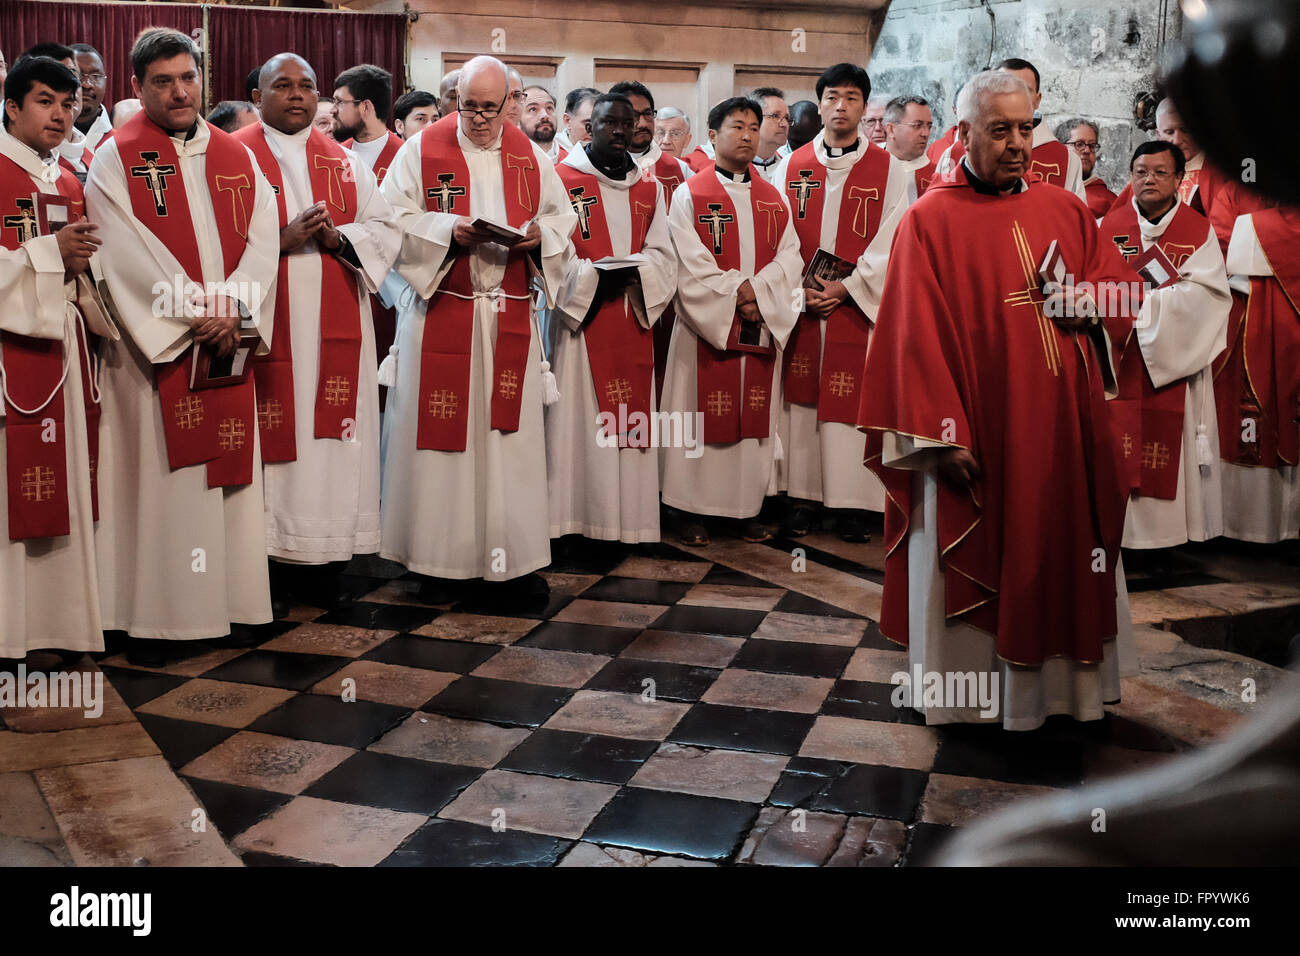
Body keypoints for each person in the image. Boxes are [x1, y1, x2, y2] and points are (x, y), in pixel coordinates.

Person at [858, 70, 1139, 730]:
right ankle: (972, 708)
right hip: (976, 430)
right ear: (964, 135)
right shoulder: (928, 220)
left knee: (1062, 548)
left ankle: (1063, 698)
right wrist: (938, 438)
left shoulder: (1066, 210)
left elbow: (1121, 292)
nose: (1018, 144)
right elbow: (909, 338)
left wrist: (1090, 305)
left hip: (1062, 430)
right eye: (1000, 130)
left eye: (1026, 129)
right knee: (977, 551)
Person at [86, 27, 279, 665]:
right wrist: (199, 314)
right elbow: (123, 251)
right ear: (137, 87)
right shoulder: (116, 157)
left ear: (203, 80)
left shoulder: (237, 154)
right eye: (163, 81)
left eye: (188, 77)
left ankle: (232, 605)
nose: (179, 91)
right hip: (158, 354)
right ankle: (160, 616)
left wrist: (236, 306)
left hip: (224, 345)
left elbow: (263, 236)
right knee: (160, 478)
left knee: (224, 477)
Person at [378, 55, 576, 603]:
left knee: (506, 440)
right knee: (442, 442)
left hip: (508, 314)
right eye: (469, 107)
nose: (481, 119)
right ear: (453, 101)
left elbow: (563, 220)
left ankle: (510, 558)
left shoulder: (530, 157)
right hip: (443, 309)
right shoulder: (421, 150)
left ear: (510, 102)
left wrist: (540, 237)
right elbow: (390, 221)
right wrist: (450, 231)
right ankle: (435, 559)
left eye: (492, 107)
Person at [238, 53, 399, 608]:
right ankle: (264, 557)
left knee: (330, 435)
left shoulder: (346, 163)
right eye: (281, 85)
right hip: (265, 320)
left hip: (336, 326)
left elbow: (385, 230)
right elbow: (208, 241)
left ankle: (326, 554)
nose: (298, 95)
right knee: (272, 436)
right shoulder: (232, 156)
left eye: (307, 86)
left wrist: (337, 240)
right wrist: (278, 241)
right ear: (257, 95)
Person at [0, 54, 115, 662]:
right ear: (12, 106)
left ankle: (55, 627)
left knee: (65, 481)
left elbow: (83, 274)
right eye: (45, 101)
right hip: (8, 356)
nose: (60, 114)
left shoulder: (70, 179)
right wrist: (50, 253)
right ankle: (8, 631)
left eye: (68, 104)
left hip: (65, 352)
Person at [772, 62, 907, 543]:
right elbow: (779, 236)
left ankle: (853, 505)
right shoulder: (792, 165)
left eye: (851, 97)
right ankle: (801, 498)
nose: (840, 106)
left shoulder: (890, 172)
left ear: (864, 106)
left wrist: (847, 288)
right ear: (820, 101)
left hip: (854, 308)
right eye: (831, 97)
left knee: (851, 404)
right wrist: (798, 288)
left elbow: (894, 242)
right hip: (804, 306)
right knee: (801, 405)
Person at [660, 96, 802, 546]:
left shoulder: (773, 197)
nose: (746, 135)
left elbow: (791, 257)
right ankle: (688, 510)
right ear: (713, 133)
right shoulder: (690, 194)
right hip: (705, 332)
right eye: (736, 126)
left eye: (753, 127)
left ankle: (744, 509)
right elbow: (687, 262)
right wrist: (738, 293)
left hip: (757, 323)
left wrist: (758, 294)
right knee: (697, 417)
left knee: (751, 417)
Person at [547, 93, 676, 543]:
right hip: (579, 324)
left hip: (630, 314)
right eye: (609, 124)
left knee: (627, 424)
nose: (621, 131)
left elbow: (664, 252)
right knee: (578, 425)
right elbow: (551, 251)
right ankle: (576, 523)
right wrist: (588, 281)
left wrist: (639, 272)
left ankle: (627, 524)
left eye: (629, 122)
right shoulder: (560, 180)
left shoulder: (649, 187)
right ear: (589, 128)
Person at [1098, 141, 1230, 548]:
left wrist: (1144, 305)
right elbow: (1096, 284)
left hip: (1174, 362)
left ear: (1177, 179)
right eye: (1140, 171)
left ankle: (1170, 539)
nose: (1148, 179)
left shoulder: (1197, 230)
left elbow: (1208, 296)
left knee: (1168, 444)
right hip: (1122, 359)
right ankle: (1126, 536)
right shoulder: (1110, 225)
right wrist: (1135, 305)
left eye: (1159, 172)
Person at [1211, 180, 1300, 542]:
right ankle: (1228, 525)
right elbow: (1218, 241)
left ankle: (1283, 527)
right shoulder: (1235, 188)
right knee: (1233, 416)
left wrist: (1254, 226)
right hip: (1238, 313)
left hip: (1285, 319)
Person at [936, 61, 1087, 202]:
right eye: (1002, 87)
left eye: (1023, 90)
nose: (1013, 96)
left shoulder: (1066, 159)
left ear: (1037, 99)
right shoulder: (952, 154)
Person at [607, 81, 690, 199]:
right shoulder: (595, 166)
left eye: (648, 113)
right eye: (633, 115)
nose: (643, 124)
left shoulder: (680, 171)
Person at [333, 64, 403, 182]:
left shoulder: (403, 156)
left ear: (365, 107)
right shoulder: (337, 154)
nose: (332, 110)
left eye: (339, 102)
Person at [1057, 117, 1115, 218]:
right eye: (1079, 144)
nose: (1087, 150)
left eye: (1092, 146)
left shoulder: (1108, 201)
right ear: (1060, 148)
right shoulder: (1046, 190)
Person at [883, 94, 935, 203]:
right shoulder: (867, 168)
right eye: (917, 125)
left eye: (929, 126)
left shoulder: (936, 176)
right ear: (891, 130)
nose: (926, 133)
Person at [71, 43, 113, 151]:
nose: (86, 84)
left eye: (95, 76)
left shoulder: (118, 141)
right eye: (78, 75)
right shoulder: (45, 140)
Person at [750, 86, 788, 182]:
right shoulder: (732, 167)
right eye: (775, 116)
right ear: (754, 119)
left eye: (787, 118)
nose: (784, 124)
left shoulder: (788, 168)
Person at [555, 86, 599, 158]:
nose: (594, 131)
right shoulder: (551, 152)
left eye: (600, 124)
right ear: (568, 121)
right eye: (588, 123)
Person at [521, 85, 558, 159]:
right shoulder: (507, 161)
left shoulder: (574, 162)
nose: (545, 115)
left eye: (549, 108)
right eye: (533, 109)